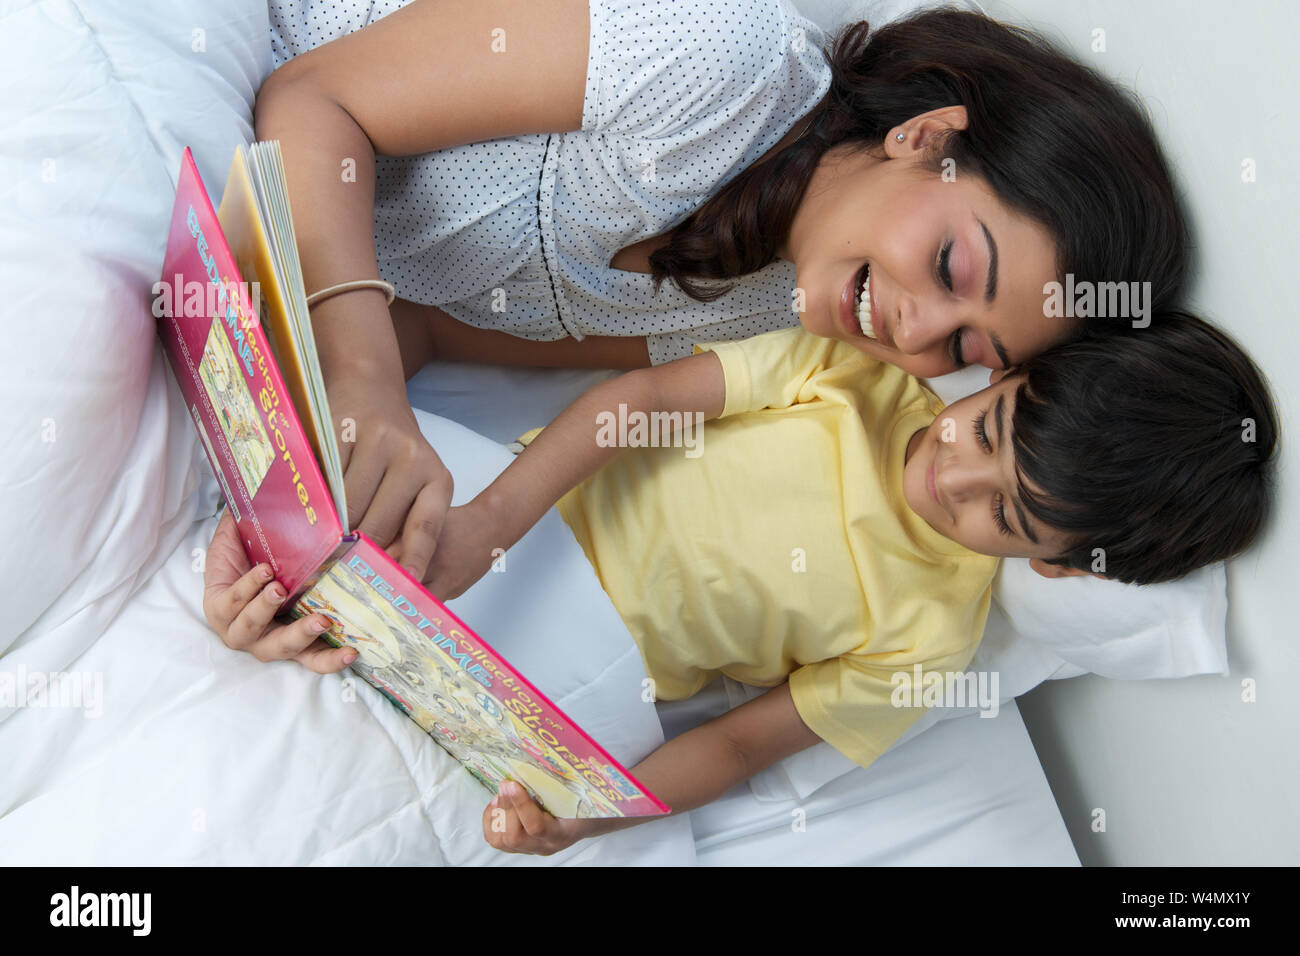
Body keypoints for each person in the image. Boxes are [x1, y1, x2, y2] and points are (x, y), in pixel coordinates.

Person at [203, 310, 1278, 854]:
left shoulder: (931, 640)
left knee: (369, 783)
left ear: (1050, 560)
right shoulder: (852, 376)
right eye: (987, 428)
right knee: (329, 525)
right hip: (506, 504)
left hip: (573, 653)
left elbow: (737, 742)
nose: (955, 473)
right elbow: (637, 398)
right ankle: (249, 594)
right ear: (1005, 376)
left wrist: (586, 816)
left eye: (1004, 510)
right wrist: (489, 524)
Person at [242, 0, 1189, 608]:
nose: (920, 331)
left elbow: (436, 323)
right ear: (926, 136)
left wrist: (314, 488)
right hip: (248, 76)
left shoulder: (774, 308)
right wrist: (362, 383)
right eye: (950, 266)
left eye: (968, 347)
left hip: (259, 248)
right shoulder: (721, 61)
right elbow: (318, 99)